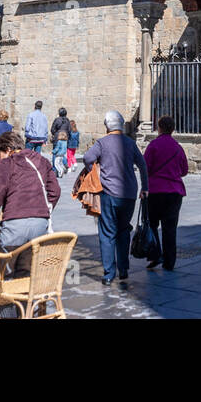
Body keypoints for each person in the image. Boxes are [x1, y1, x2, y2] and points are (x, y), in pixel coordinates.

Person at [0, 130, 59, 287]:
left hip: (15, 223)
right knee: (26, 268)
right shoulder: (41, 160)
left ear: (8, 149)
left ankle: (5, 305)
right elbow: (55, 191)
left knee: (5, 270)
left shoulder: (7, 163)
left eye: (0, 156)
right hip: (40, 225)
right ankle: (25, 305)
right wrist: (43, 209)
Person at [83, 110, 148, 285]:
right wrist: (145, 188)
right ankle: (124, 268)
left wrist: (93, 171)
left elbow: (88, 158)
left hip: (109, 193)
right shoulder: (130, 143)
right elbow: (142, 165)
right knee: (123, 230)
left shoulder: (102, 143)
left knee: (107, 232)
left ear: (107, 126)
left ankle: (109, 273)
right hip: (129, 195)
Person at [143, 116, 189, 272]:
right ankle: (169, 262)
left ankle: (155, 255)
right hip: (174, 193)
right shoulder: (178, 147)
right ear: (173, 129)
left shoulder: (153, 145)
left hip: (155, 191)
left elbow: (145, 168)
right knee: (170, 228)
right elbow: (184, 171)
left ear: (159, 128)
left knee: (153, 225)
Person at [49, 107, 70, 175]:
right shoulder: (67, 120)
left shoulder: (57, 120)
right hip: (65, 137)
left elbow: (52, 129)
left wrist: (55, 134)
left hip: (57, 137)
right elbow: (69, 130)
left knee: (55, 152)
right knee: (62, 152)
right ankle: (65, 163)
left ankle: (55, 169)